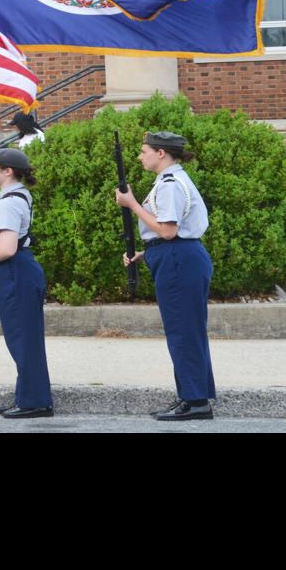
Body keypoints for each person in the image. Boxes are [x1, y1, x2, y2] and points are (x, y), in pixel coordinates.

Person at [116, 131, 216, 421]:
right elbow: (170, 234)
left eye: (144, 150)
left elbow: (169, 231)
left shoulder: (170, 184)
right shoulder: (168, 180)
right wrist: (146, 253)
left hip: (178, 261)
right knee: (186, 331)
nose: (139, 156)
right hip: (177, 257)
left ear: (161, 153)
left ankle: (195, 400)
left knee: (183, 332)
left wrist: (132, 204)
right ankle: (192, 396)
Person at [0, 148, 52, 419]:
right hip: (14, 272)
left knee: (23, 339)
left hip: (14, 270)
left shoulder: (9, 203)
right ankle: (28, 396)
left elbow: (7, 249)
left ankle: (35, 401)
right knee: (21, 337)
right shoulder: (5, 197)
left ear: (8, 171)